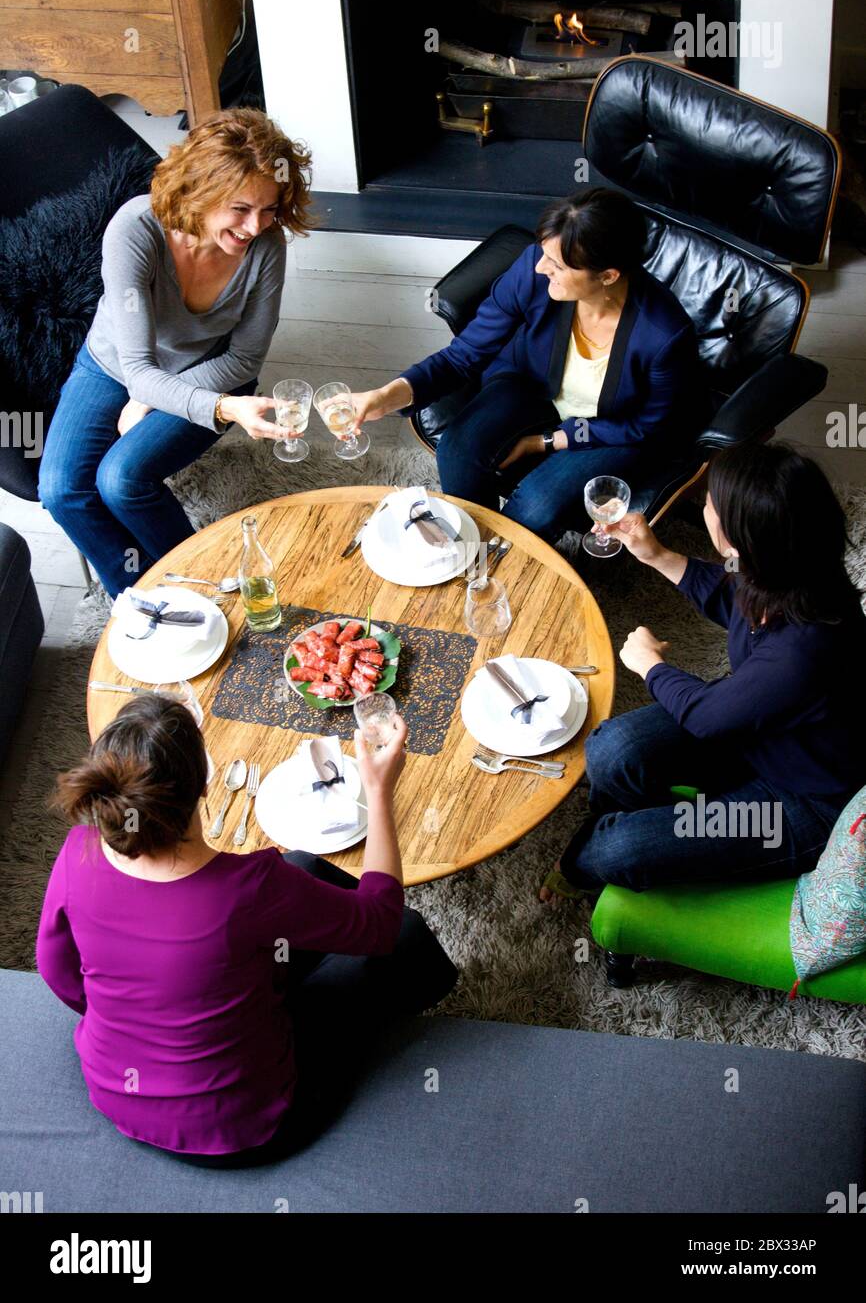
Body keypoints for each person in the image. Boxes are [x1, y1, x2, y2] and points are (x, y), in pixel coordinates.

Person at [37, 694, 457, 1163]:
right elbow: (380, 923)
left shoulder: (79, 851)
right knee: (406, 935)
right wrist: (379, 790)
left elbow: (60, 976)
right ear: (203, 786)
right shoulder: (252, 886)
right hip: (246, 1126)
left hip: (114, 1091)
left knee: (303, 869)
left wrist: (155, 1007)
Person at [540, 442, 866, 901]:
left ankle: (590, 858)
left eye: (709, 502)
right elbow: (729, 595)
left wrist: (650, 665)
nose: (704, 503)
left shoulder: (806, 646)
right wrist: (655, 553)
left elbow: (705, 716)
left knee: (620, 849)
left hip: (803, 800)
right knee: (614, 748)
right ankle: (626, 824)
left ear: (733, 539)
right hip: (759, 732)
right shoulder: (784, 568)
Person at [39, 108, 314, 599]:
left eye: (268, 209)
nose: (256, 226)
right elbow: (136, 369)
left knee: (122, 479)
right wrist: (162, 396)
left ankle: (203, 582)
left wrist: (156, 398)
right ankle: (143, 592)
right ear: (200, 192)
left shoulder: (267, 245)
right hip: (113, 367)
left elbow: (244, 360)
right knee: (61, 491)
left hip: (211, 370)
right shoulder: (137, 228)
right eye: (240, 208)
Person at [350, 187, 698, 542]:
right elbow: (463, 355)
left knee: (537, 504)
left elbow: (646, 426)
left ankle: (506, 566)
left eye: (558, 265)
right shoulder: (534, 270)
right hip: (533, 383)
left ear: (607, 276)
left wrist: (544, 442)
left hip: (611, 425)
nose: (540, 266)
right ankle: (472, 551)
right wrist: (388, 394)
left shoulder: (664, 334)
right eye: (543, 253)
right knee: (457, 450)